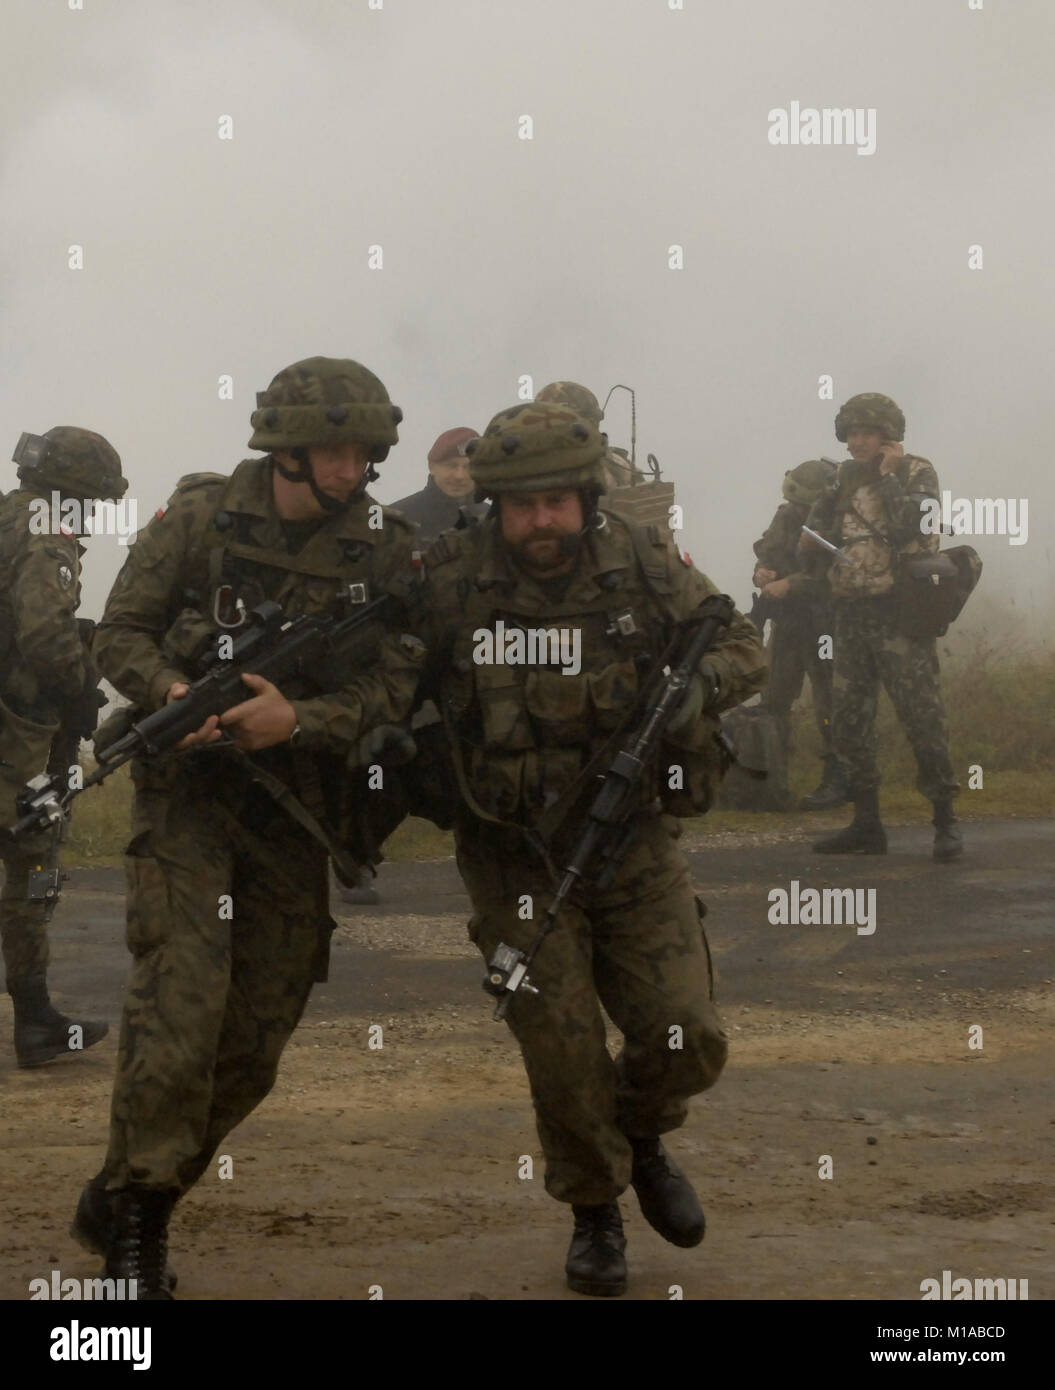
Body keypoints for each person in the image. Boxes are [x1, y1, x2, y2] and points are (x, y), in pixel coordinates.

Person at [70, 357, 425, 1297]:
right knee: (179, 1009)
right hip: (187, 798)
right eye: (332, 450)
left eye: (363, 451)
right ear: (286, 449)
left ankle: (123, 1187)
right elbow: (118, 634)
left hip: (295, 809)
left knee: (257, 1036)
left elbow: (396, 682)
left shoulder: (387, 548)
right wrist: (172, 694)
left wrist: (298, 720)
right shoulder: (198, 518)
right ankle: (138, 1230)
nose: (352, 469)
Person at [416, 400, 766, 1296]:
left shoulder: (643, 561)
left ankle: (641, 1136)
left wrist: (701, 690)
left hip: (636, 845)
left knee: (688, 1034)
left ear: (584, 495)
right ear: (495, 504)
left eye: (556, 503)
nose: (540, 521)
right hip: (513, 854)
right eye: (521, 505)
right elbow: (386, 674)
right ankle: (595, 1210)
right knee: (561, 1048)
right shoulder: (447, 578)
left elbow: (738, 641)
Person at [0, 427, 126, 1068]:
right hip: (19, 734)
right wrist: (78, 690)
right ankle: (35, 1019)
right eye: (95, 504)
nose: (95, 518)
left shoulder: (6, 516)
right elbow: (47, 634)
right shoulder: (47, 534)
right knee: (31, 865)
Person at [801, 392, 962, 860]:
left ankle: (945, 821)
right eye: (850, 433)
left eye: (865, 433)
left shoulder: (916, 472)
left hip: (900, 615)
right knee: (850, 722)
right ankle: (868, 824)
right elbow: (814, 530)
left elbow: (911, 526)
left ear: (888, 436)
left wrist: (889, 477)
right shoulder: (841, 478)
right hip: (851, 612)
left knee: (922, 717)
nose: (856, 442)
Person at [751, 458, 848, 810]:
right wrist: (762, 574)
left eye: (804, 503)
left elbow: (837, 572)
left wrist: (790, 584)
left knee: (829, 703)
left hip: (824, 625)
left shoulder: (840, 520)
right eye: (796, 502)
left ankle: (838, 778)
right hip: (789, 623)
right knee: (774, 698)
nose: (798, 509)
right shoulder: (787, 516)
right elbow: (768, 555)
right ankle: (771, 779)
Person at [391, 426, 480, 545]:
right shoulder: (395, 520)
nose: (460, 476)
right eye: (451, 465)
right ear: (432, 466)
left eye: (468, 467)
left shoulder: (494, 520)